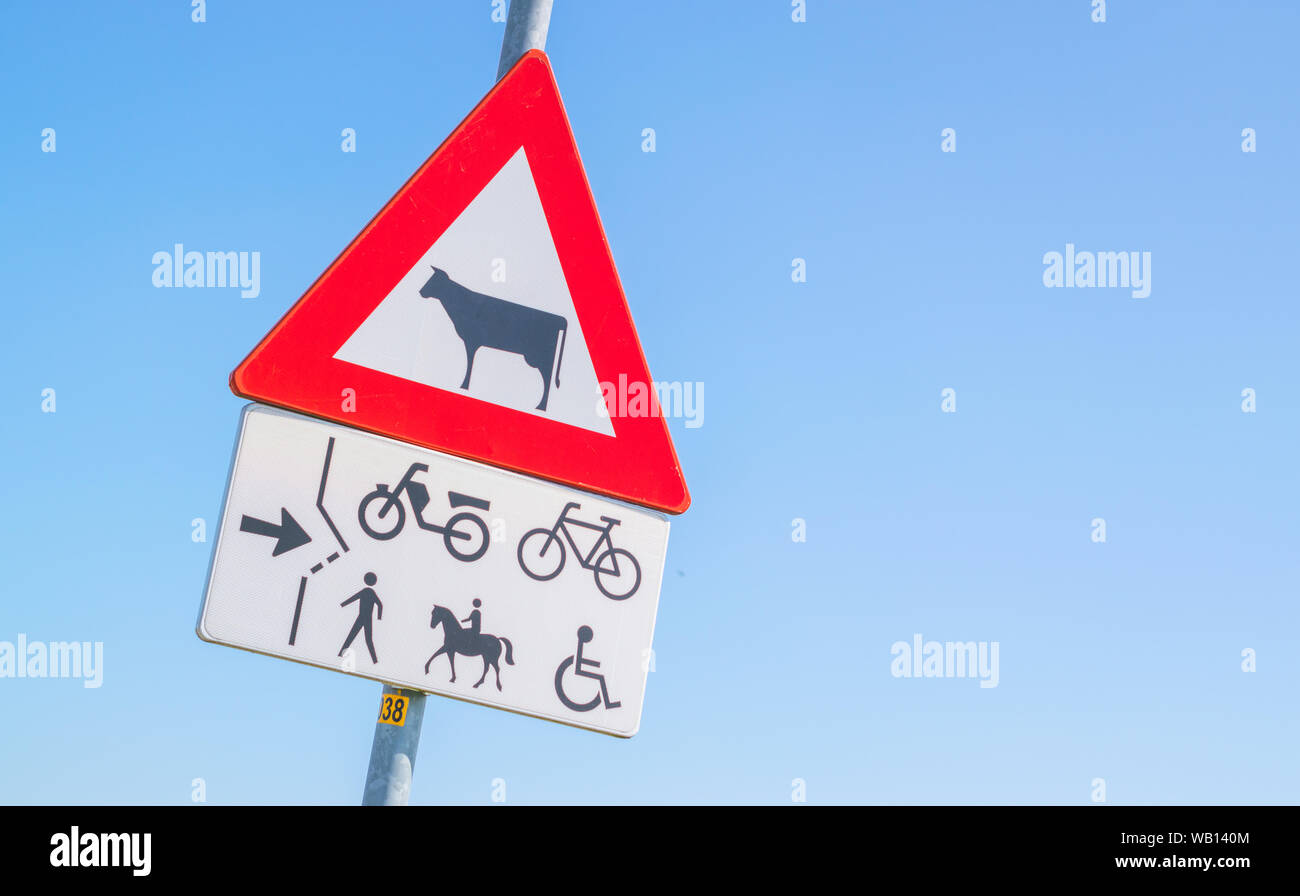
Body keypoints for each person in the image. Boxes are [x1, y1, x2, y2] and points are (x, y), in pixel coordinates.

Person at [339, 572, 383, 664]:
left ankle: (340, 654)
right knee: (367, 639)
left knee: (352, 637)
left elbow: (353, 598)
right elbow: (380, 605)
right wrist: (379, 617)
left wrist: (343, 604)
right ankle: (375, 660)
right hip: (366, 618)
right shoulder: (370, 592)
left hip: (363, 617)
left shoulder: (366, 591)